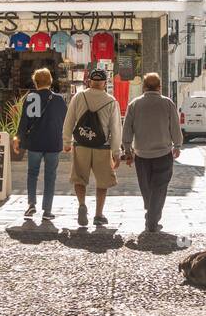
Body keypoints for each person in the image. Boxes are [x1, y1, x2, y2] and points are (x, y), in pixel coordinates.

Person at [120, 72, 183, 233]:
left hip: (142, 154)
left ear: (143, 87)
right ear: (160, 87)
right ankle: (153, 218)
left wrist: (127, 149)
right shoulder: (167, 103)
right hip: (163, 153)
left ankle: (151, 214)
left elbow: (127, 129)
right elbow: (175, 127)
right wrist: (177, 145)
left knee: (146, 187)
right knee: (160, 187)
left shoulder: (134, 104)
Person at [62, 69, 121, 226]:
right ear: (104, 83)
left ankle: (82, 204)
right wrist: (117, 152)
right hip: (102, 147)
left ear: (88, 81)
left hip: (81, 145)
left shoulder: (79, 96)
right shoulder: (111, 101)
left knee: (79, 178)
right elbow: (115, 129)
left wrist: (67, 142)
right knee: (103, 182)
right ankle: (98, 214)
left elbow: (69, 120)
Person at [14, 67, 65, 220]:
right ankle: (47, 211)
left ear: (35, 82)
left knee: (32, 173)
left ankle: (31, 205)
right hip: (53, 143)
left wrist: (18, 139)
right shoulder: (58, 99)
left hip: (35, 142)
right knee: (50, 176)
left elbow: (24, 121)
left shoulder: (31, 98)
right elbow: (65, 120)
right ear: (50, 81)